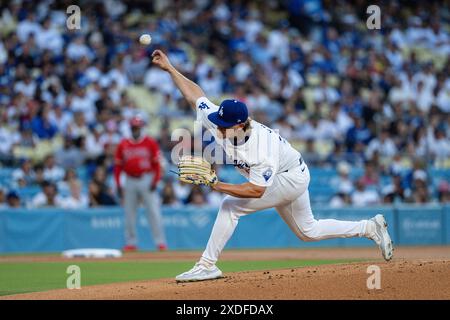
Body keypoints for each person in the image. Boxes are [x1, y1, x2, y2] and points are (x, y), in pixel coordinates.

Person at [151, 49, 394, 282]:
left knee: (230, 205)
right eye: (218, 122)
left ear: (238, 126)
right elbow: (196, 97)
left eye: (223, 125)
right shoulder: (221, 121)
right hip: (289, 172)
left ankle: (206, 265)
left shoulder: (260, 148)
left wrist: (218, 185)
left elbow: (257, 191)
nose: (218, 126)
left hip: (290, 178)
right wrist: (170, 68)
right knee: (308, 231)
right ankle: (369, 227)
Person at [114, 116, 167, 252]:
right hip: (130, 180)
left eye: (137, 127)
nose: (135, 129)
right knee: (129, 213)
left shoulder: (150, 142)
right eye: (133, 127)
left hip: (146, 178)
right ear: (130, 128)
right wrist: (118, 184)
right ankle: (131, 242)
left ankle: (160, 242)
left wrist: (155, 181)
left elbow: (157, 165)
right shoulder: (123, 144)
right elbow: (118, 167)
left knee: (154, 212)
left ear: (142, 128)